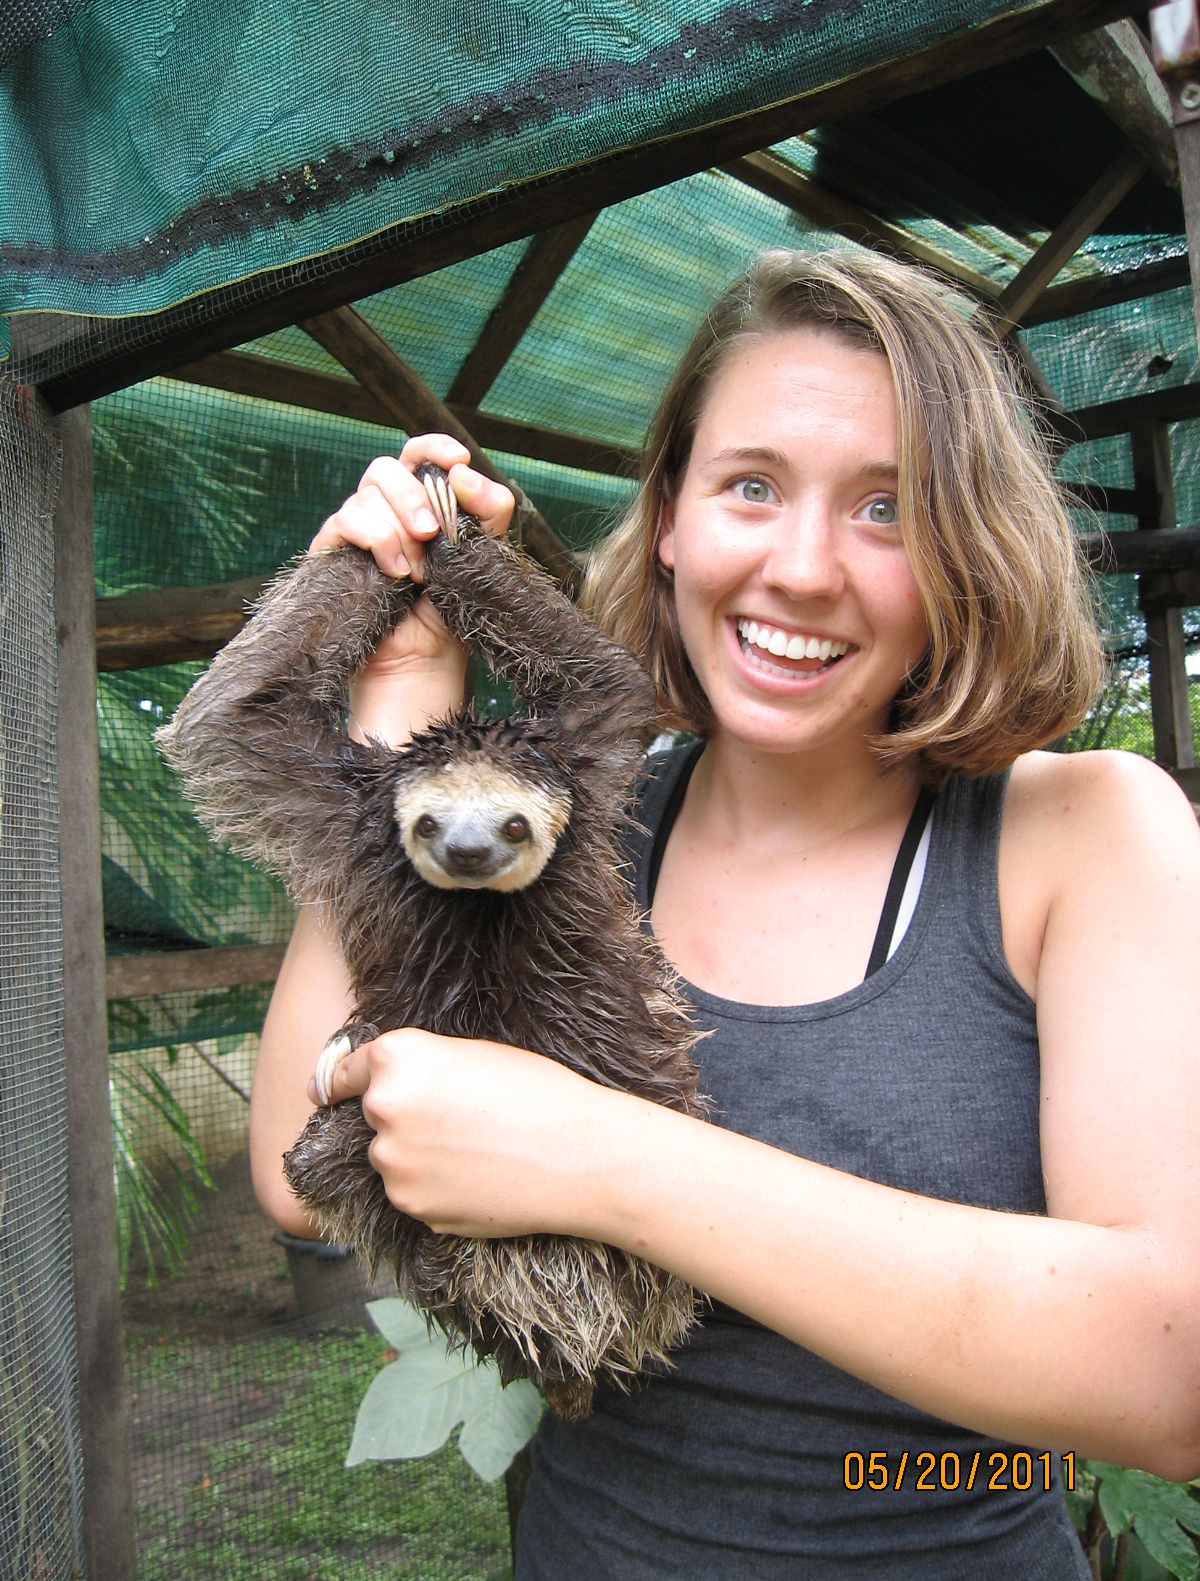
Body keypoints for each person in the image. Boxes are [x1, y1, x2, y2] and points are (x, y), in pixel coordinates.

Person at [249, 251, 1200, 1578]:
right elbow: (306, 1165)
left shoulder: (1089, 835)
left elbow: (1171, 1373)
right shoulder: (575, 833)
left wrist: (607, 1162)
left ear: (966, 546)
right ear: (674, 515)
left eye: (888, 508)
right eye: (751, 485)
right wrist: (394, 715)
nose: (801, 568)